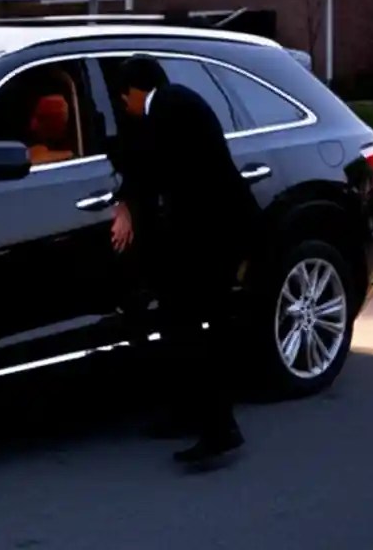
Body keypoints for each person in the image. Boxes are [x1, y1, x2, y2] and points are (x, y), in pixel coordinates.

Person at [106, 55, 259, 464]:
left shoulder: (168, 110)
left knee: (195, 328)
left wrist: (125, 204)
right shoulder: (176, 104)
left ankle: (220, 428)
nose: (126, 108)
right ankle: (191, 415)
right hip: (208, 233)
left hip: (215, 235)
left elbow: (148, 164)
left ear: (135, 91)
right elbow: (148, 164)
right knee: (182, 323)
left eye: (124, 100)